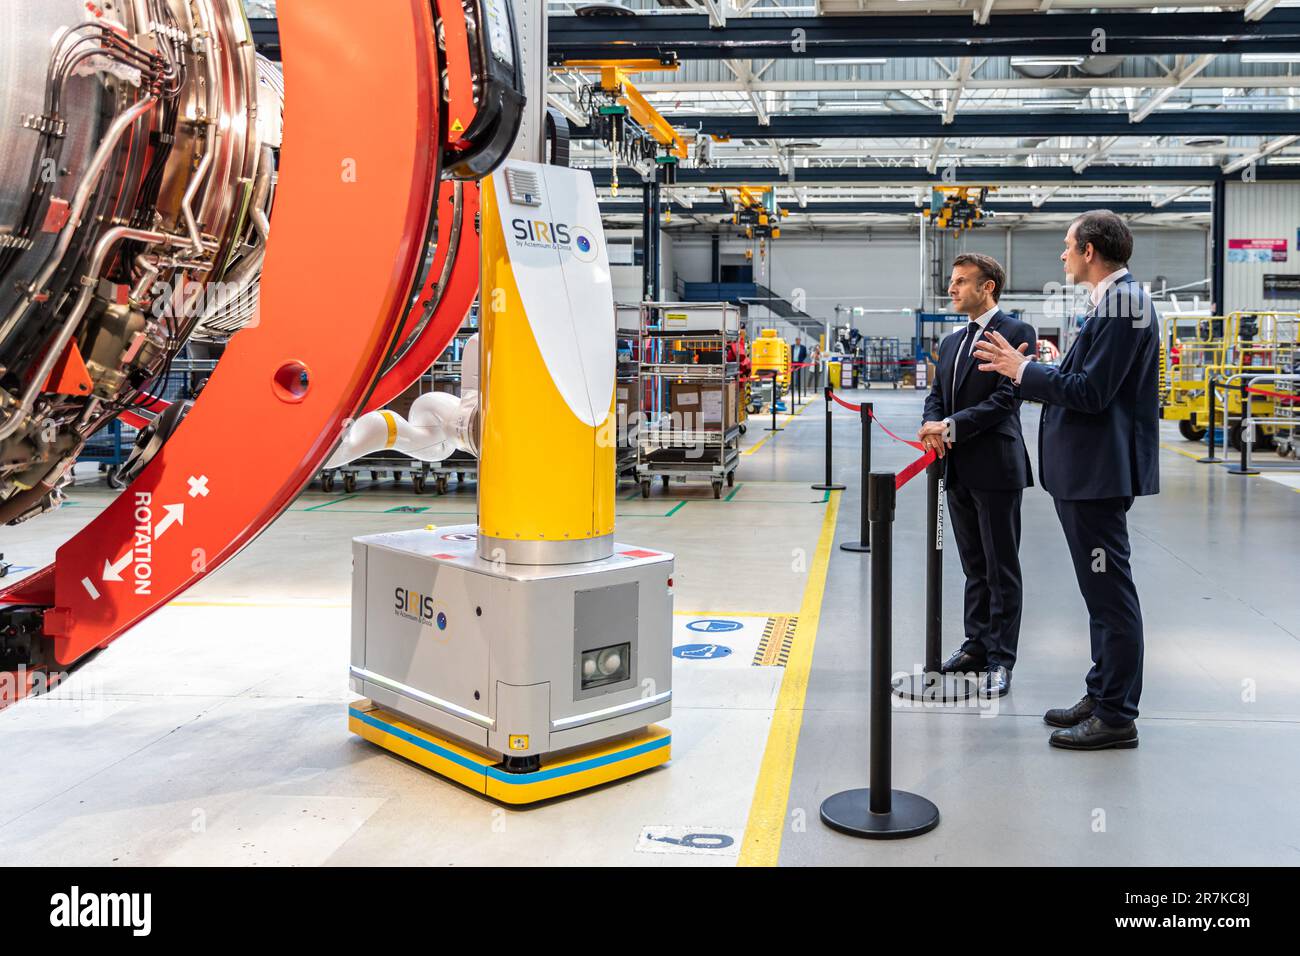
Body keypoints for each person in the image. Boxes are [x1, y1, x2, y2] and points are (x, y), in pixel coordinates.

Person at [973, 210, 1159, 751]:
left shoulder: (1123, 304)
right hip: (1087, 473)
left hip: (1097, 475)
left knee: (1110, 595)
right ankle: (1102, 692)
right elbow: (1087, 379)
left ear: (1090, 252)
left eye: (1067, 246)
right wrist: (1050, 367)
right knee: (1098, 592)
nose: (1062, 254)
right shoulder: (1113, 303)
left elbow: (1091, 394)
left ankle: (1117, 714)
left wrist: (1022, 371)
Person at [917, 254, 1037, 697]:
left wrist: (953, 426)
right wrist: (934, 424)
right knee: (973, 565)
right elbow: (936, 395)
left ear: (988, 288)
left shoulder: (1016, 333)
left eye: (962, 281)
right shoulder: (950, 343)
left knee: (1001, 566)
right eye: (952, 280)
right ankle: (977, 646)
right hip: (956, 467)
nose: (952, 288)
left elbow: (1007, 398)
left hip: (996, 466)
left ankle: (1002, 658)